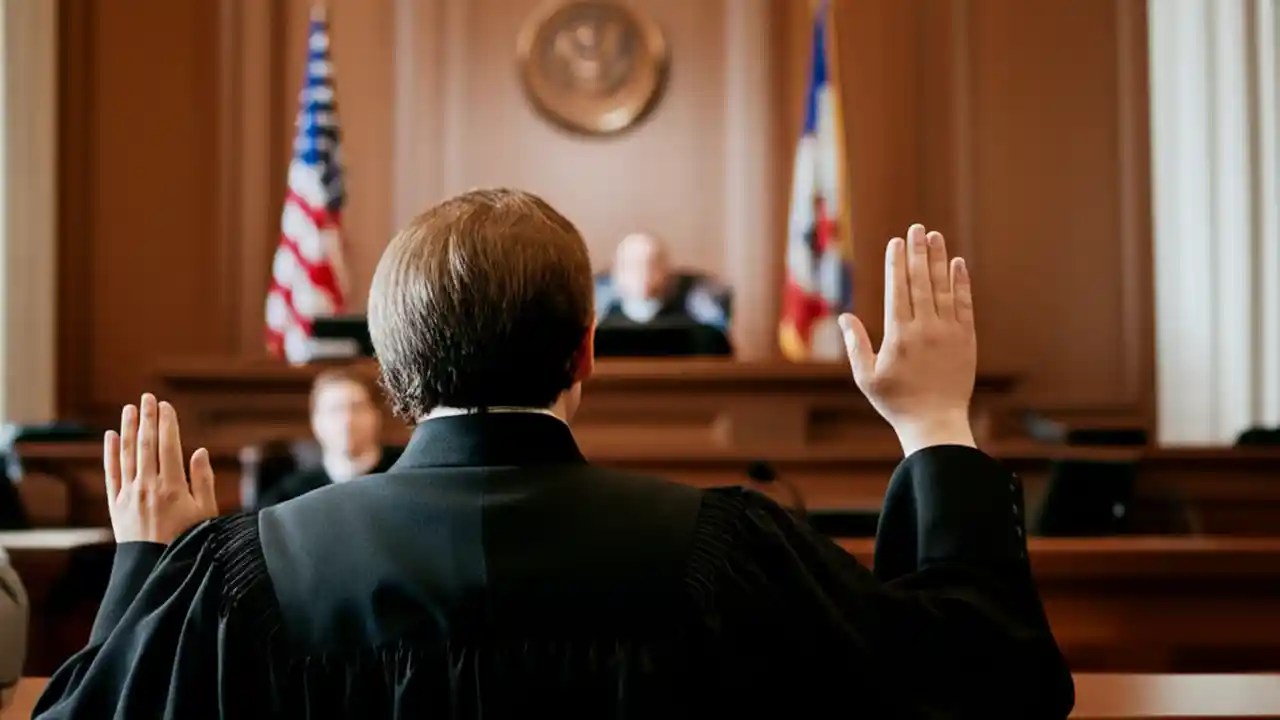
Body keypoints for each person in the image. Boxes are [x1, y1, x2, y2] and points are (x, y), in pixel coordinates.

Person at [34, 190, 1073, 718]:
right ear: (586, 352)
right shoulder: (731, 553)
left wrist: (148, 569)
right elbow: (984, 691)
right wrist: (933, 422)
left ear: (393, 376)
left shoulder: (240, 578)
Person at [256, 369, 400, 508]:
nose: (347, 420)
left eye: (357, 407)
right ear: (316, 422)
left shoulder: (404, 474)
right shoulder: (290, 497)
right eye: (334, 410)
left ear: (376, 416)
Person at [596, 232, 730, 329]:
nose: (642, 274)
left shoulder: (699, 314)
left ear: (666, 270)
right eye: (631, 266)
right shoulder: (600, 318)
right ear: (616, 272)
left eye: (651, 265)